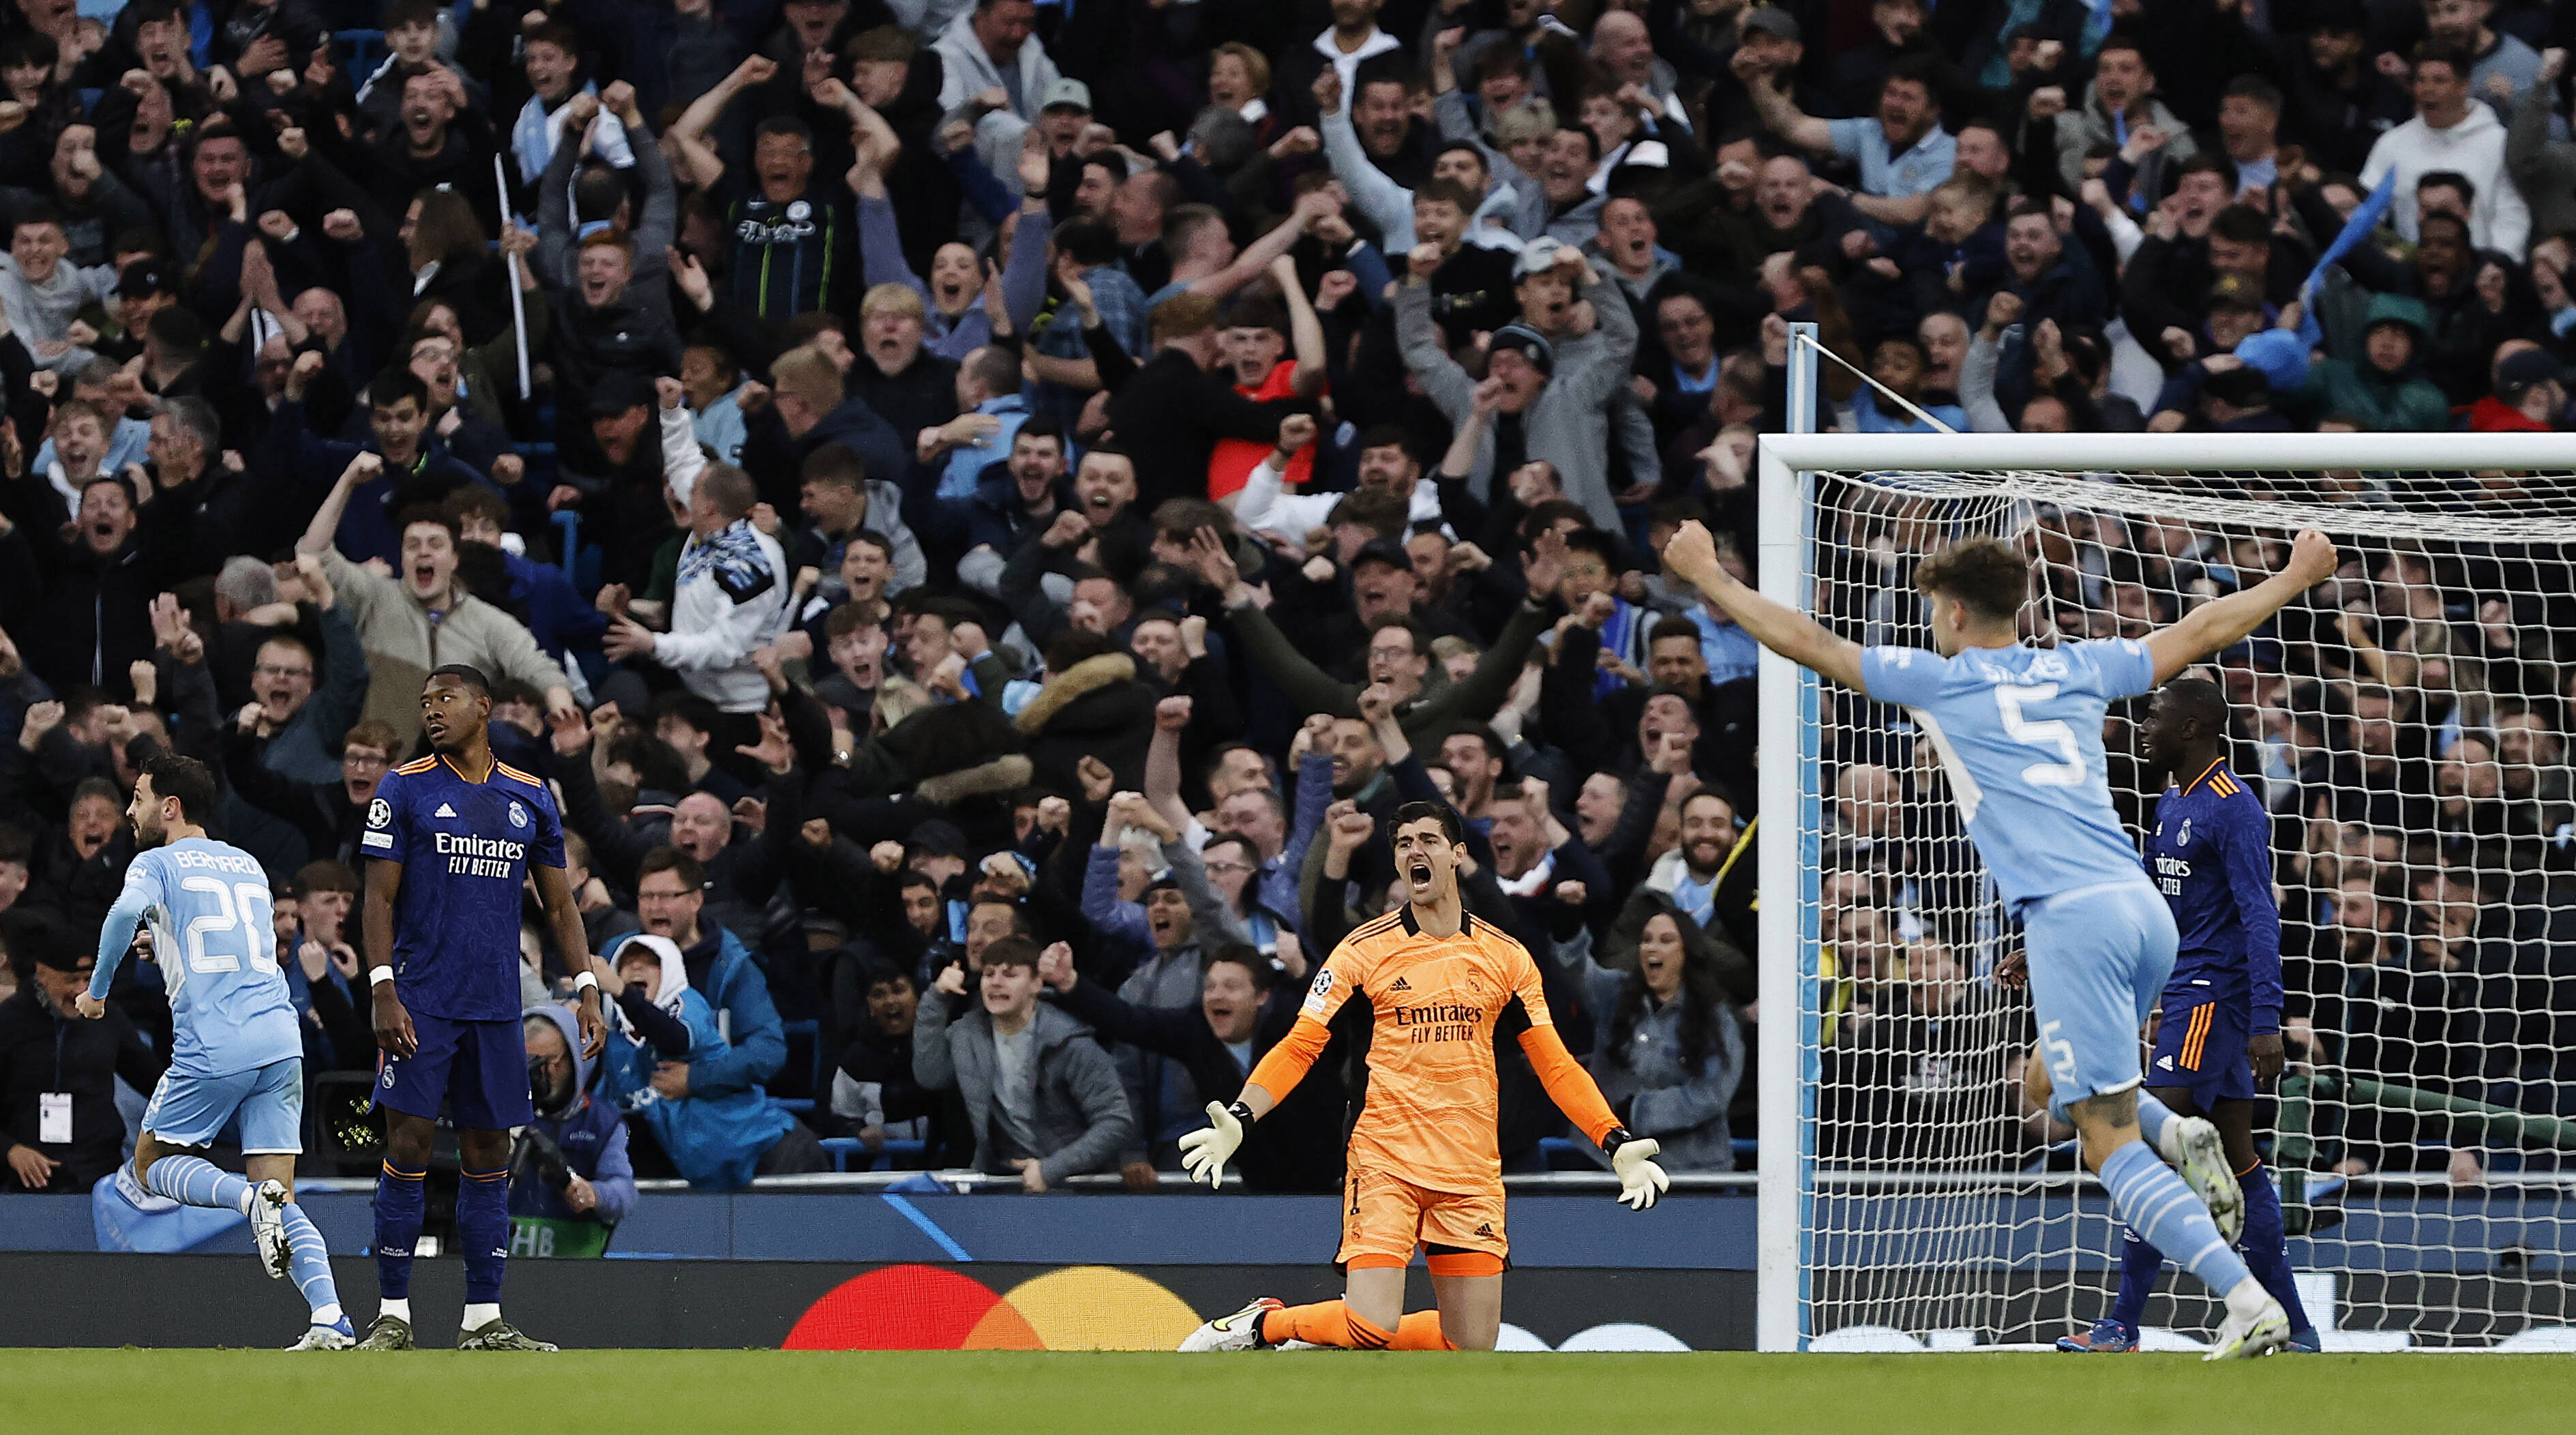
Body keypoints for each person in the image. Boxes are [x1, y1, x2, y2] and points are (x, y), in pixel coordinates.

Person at [1660, 519, 2342, 1359]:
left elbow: (1809, 642)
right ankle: (2179, 1133)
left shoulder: (1941, 681)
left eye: (1931, 610)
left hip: (2071, 918)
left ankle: (2244, 1300)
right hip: (2141, 909)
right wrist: (2294, 574)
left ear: (1951, 612)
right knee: (2045, 1082)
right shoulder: (2081, 664)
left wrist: (1710, 575)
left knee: (2103, 1142)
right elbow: (2201, 630)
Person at [1173, 801, 1668, 1354]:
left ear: (1457, 854)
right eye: (1404, 843)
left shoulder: (1506, 957)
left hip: (1469, 1169)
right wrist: (1242, 1117)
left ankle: (1310, 1334)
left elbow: (1556, 1063)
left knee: (1469, 1346)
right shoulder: (1363, 951)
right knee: (1370, 1326)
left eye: (1428, 840)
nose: (1415, 851)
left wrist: (1613, 1138)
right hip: (1386, 1158)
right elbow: (1300, 1045)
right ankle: (1265, 1324)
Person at [2056, 679, 2319, 1355]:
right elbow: (2145, 899)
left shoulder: (2234, 808)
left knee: (2142, 1147)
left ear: (2193, 727)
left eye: (2155, 717)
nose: (2143, 728)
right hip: (2186, 993)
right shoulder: (2173, 798)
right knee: (2241, 1160)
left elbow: (2260, 915)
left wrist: (2267, 1018)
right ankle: (2298, 1329)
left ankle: (2122, 1325)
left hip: (2211, 997)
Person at [355, 665, 607, 1352]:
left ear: (484, 706)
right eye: (425, 701)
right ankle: (393, 1315)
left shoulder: (529, 794)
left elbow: (560, 905)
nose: (432, 710)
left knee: (490, 1152)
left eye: (447, 698)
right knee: (407, 1147)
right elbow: (376, 898)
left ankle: (483, 1319)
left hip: (497, 1007)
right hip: (422, 1000)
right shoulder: (404, 786)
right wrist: (383, 989)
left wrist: (586, 986)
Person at [80, 754, 350, 1348]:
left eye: (140, 798)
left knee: (150, 1165)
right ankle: (330, 1316)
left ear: (170, 808)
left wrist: (96, 994)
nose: (131, 811)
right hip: (280, 1042)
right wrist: (162, 942)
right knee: (282, 1196)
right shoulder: (248, 865)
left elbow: (122, 912)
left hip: (216, 1042)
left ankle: (245, 1199)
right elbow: (225, 941)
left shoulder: (155, 862)